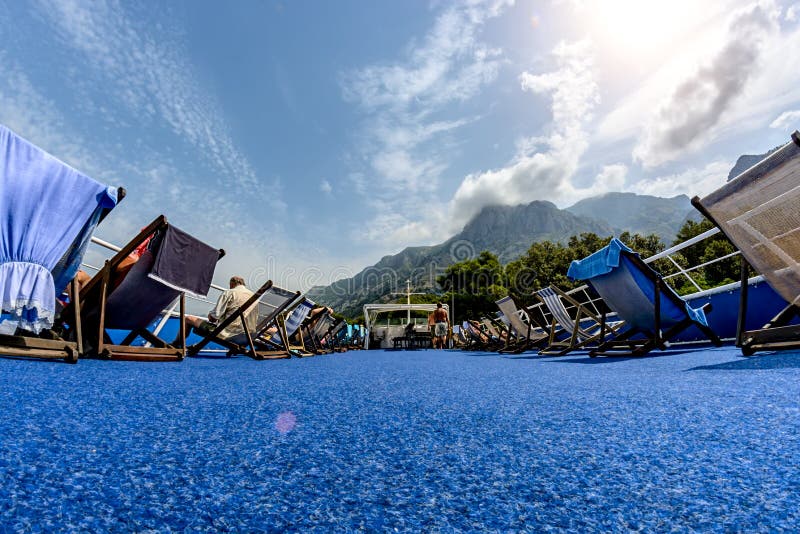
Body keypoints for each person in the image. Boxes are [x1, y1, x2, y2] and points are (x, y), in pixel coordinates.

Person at [174, 275, 258, 347]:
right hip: (248, 336)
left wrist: (210, 316)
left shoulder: (230, 292)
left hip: (229, 334)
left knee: (188, 319)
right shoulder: (254, 297)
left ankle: (176, 344)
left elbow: (213, 318)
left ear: (232, 284)